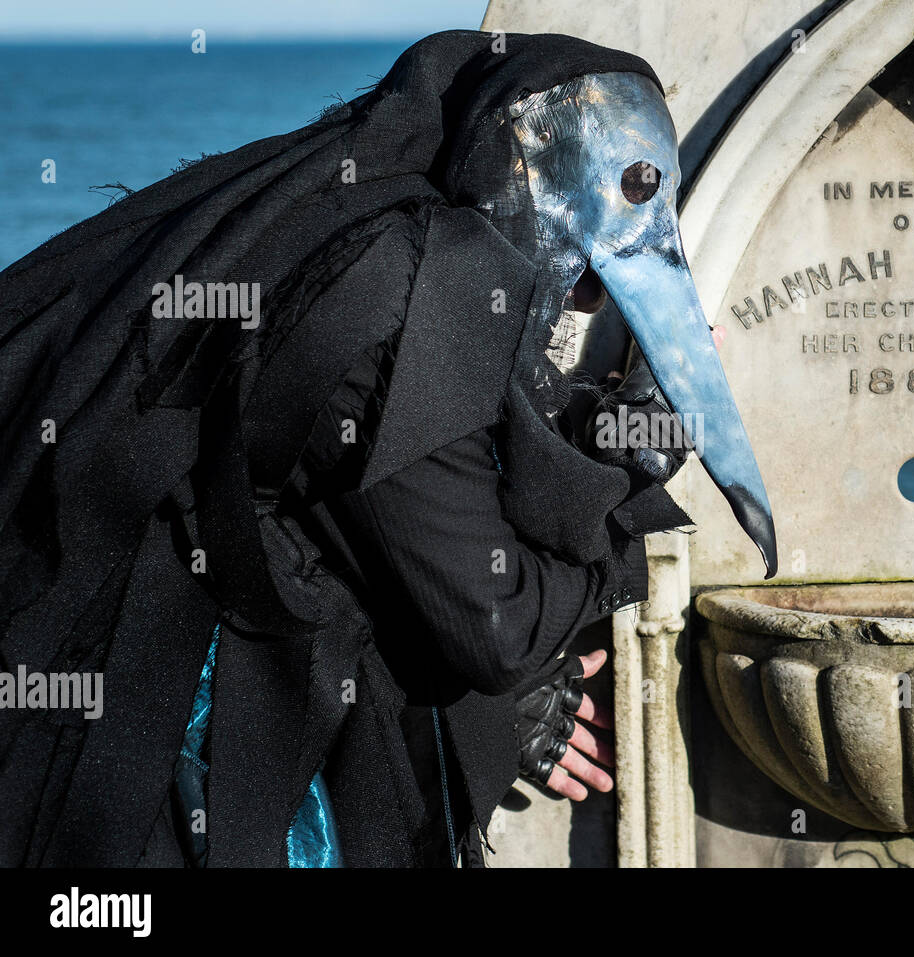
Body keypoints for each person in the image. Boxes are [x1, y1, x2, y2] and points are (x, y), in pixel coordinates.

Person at [0, 31, 774, 867]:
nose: (593, 294)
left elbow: (444, 476)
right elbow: (492, 622)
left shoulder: (390, 226)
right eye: (606, 225)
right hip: (176, 753)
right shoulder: (409, 301)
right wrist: (637, 465)